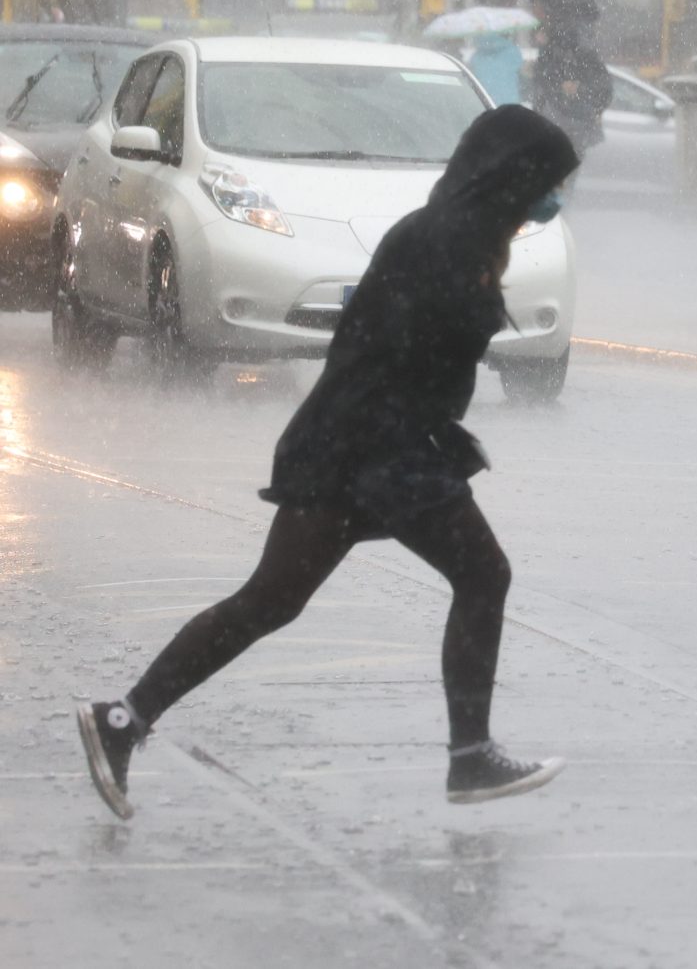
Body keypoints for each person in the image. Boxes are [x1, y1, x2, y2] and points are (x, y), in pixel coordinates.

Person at [75, 105, 582, 820]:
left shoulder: (461, 234)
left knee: (269, 601)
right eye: (549, 182)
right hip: (375, 445)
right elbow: (391, 352)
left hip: (355, 442)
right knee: (483, 572)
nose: (555, 198)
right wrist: (420, 440)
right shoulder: (446, 240)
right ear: (513, 177)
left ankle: (121, 722)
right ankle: (470, 759)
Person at [529, 0, 612, 154]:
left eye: (538, 7)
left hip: (565, 119)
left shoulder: (567, 42)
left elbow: (598, 83)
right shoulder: (560, 42)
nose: (536, 12)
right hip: (564, 120)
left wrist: (575, 87)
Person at [465, 30, 525, 107]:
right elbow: (519, 70)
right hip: (509, 100)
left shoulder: (477, 56)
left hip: (483, 100)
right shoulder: (513, 51)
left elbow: (471, 76)